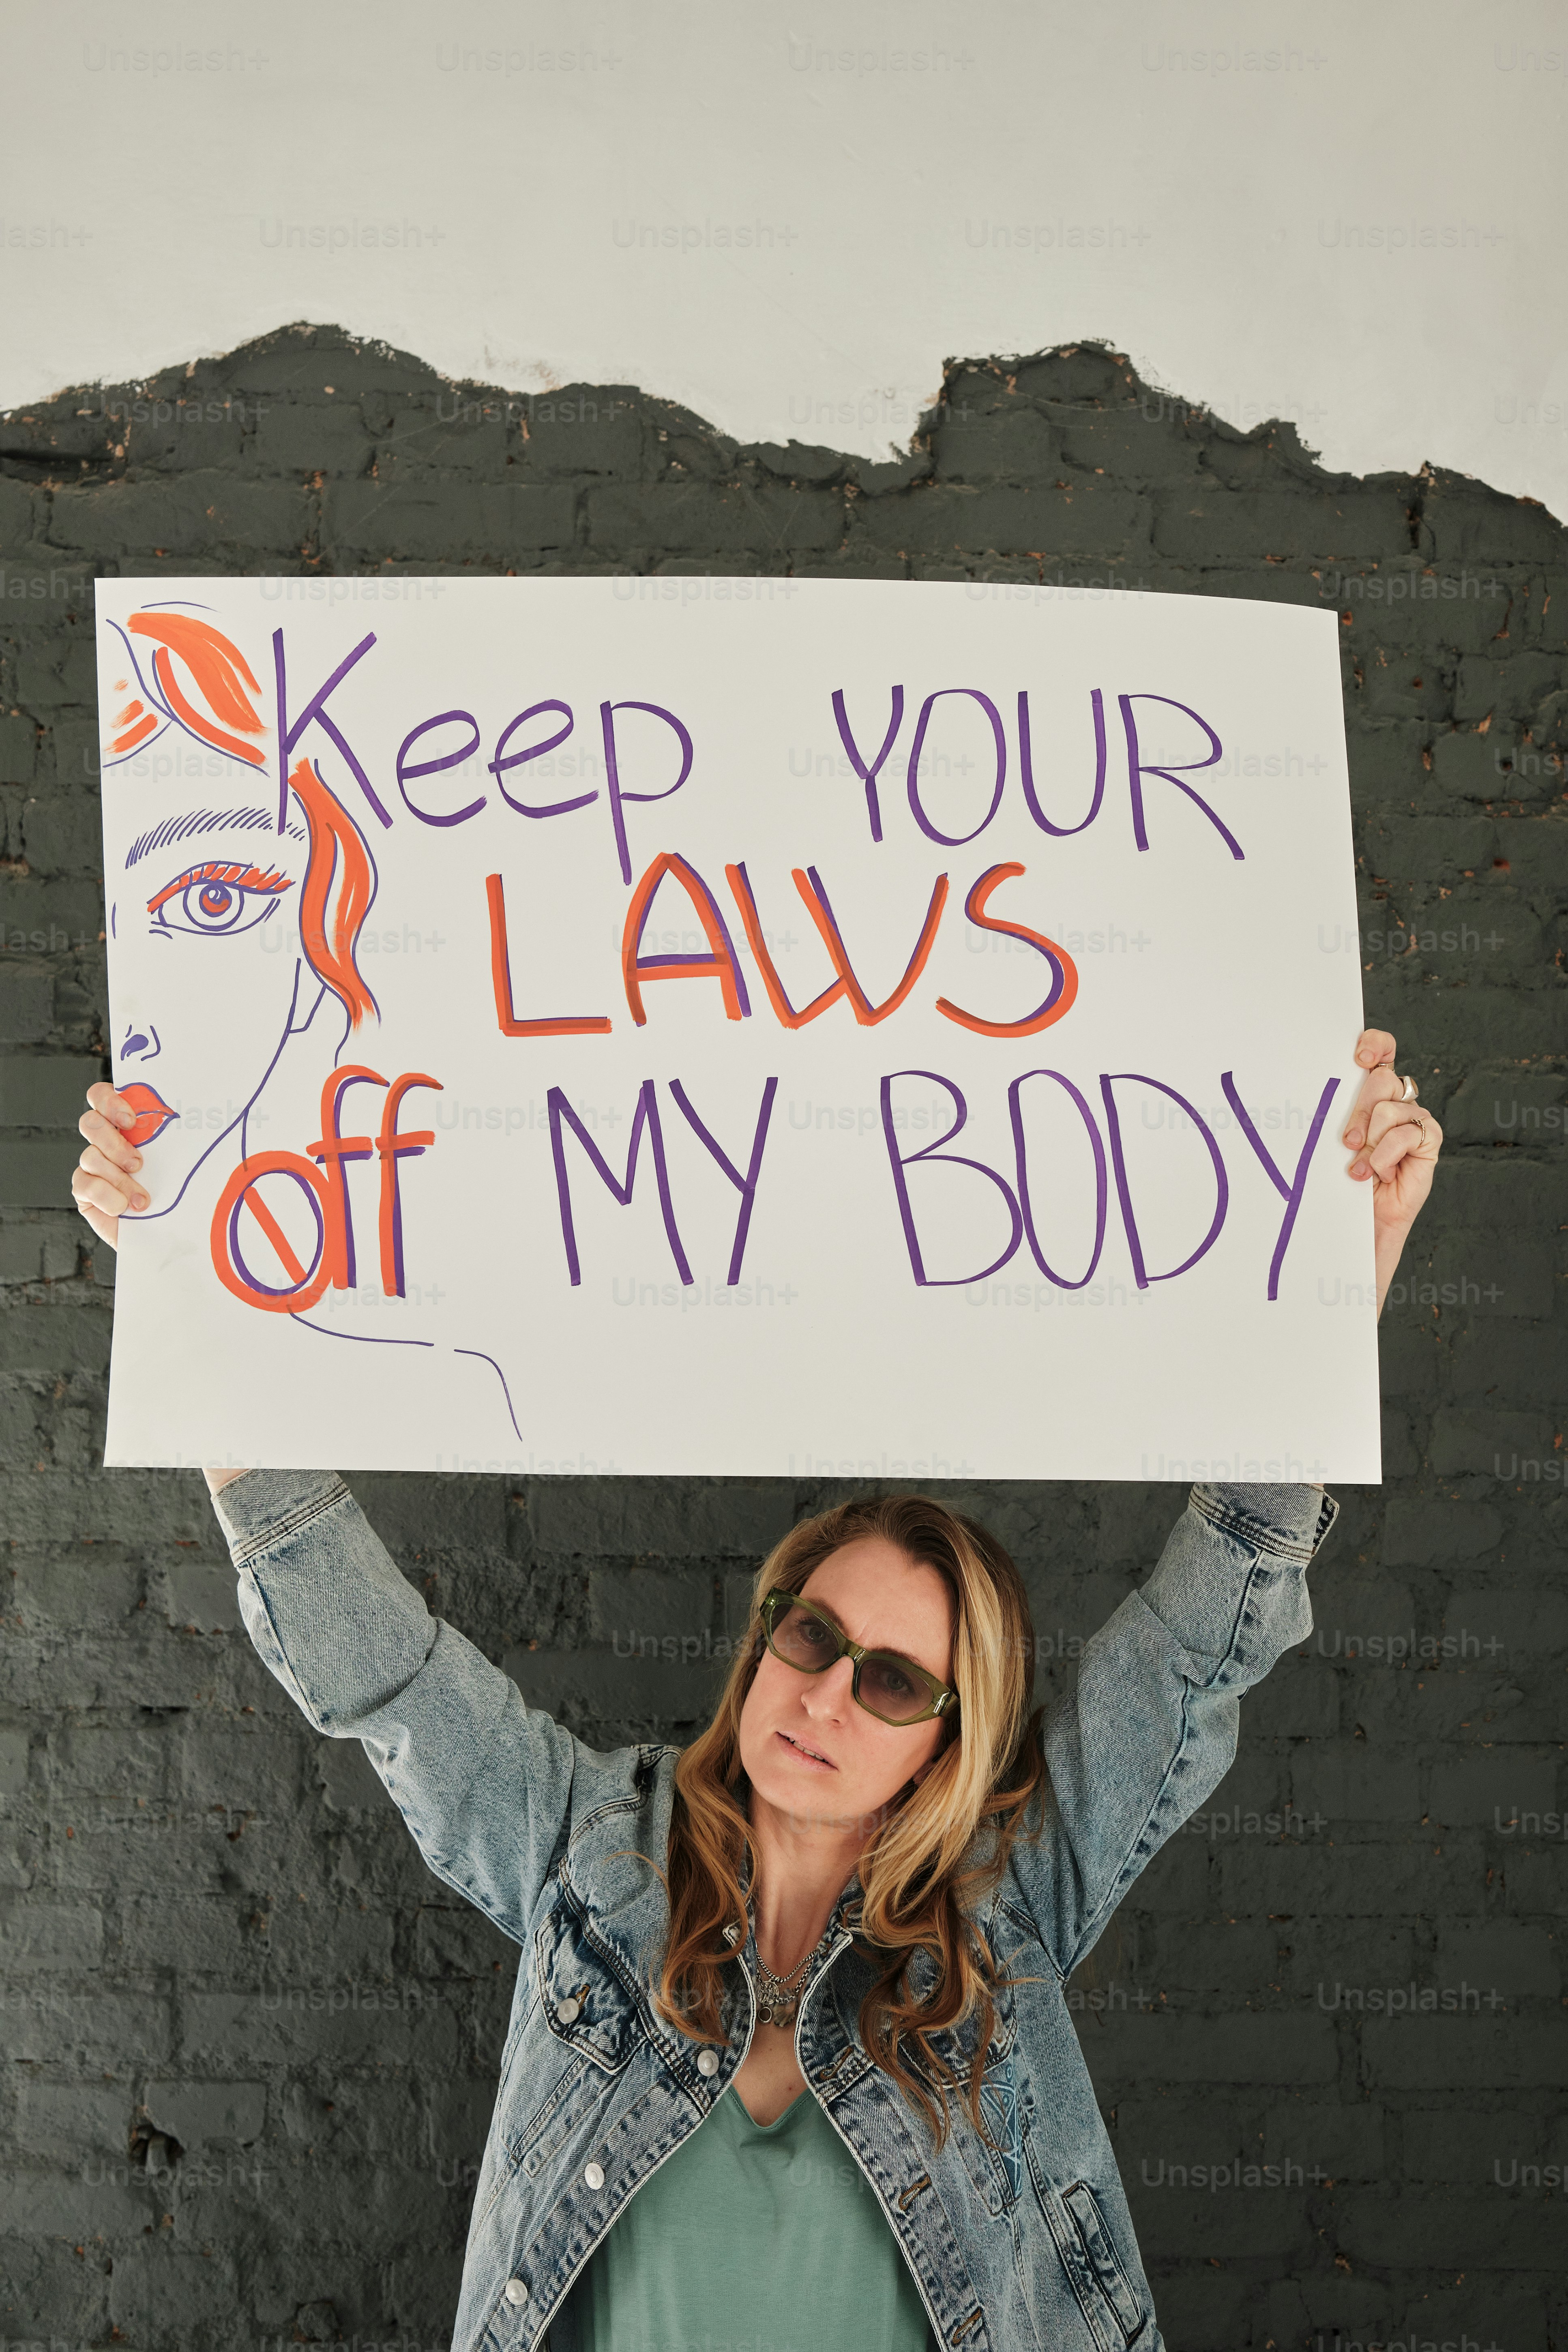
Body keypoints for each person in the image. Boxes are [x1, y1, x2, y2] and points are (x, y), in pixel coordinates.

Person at [71, 1028, 1442, 2352]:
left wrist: (1339, 1280)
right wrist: (190, 1283)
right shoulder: (584, 1850)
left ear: (946, 1742)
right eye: (811, 1636)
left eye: (893, 1680)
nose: (829, 1693)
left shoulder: (1006, 1905)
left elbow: (1193, 1639)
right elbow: (389, 1675)